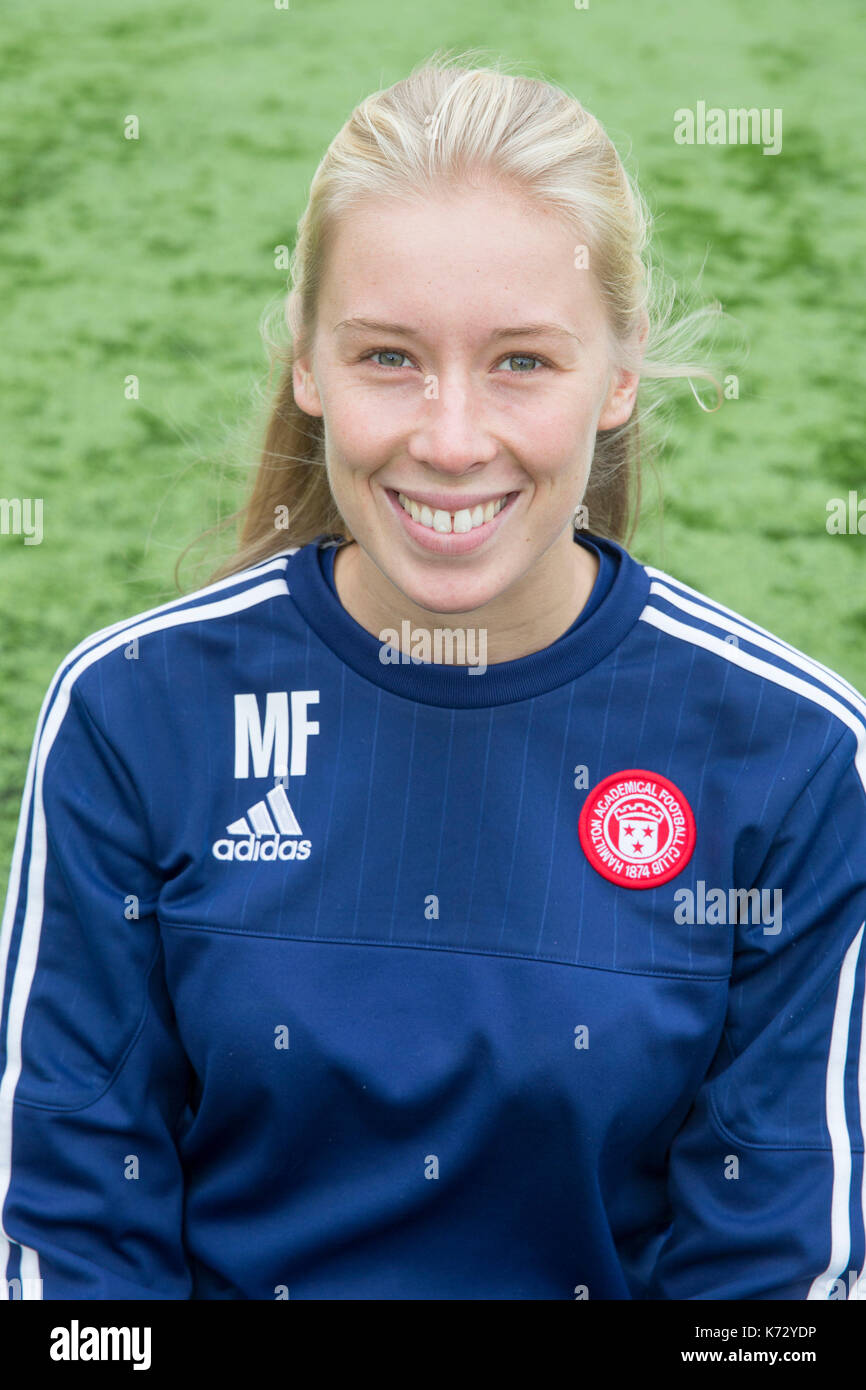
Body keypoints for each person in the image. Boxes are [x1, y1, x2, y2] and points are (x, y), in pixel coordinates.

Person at [1, 50, 865, 1302]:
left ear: (616, 375)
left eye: (521, 361)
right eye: (388, 358)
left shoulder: (790, 759)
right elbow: (75, 1250)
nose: (450, 439)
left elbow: (769, 1286)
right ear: (307, 364)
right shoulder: (135, 715)